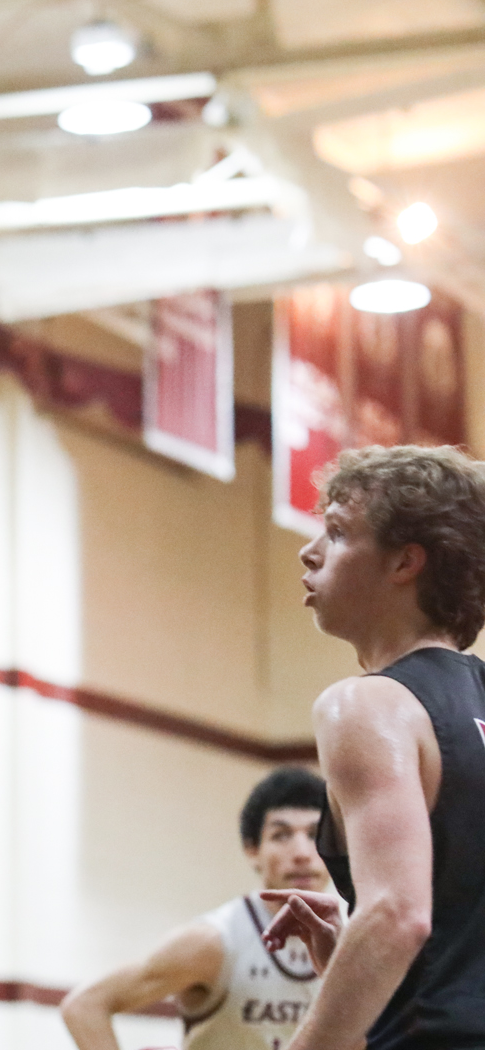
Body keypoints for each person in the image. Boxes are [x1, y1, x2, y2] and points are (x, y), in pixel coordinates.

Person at [257, 445, 485, 1050]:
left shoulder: (367, 705)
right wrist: (354, 966)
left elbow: (396, 916)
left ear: (405, 562)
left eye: (336, 532)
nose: (308, 552)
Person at [60, 767, 329, 1050]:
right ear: (253, 850)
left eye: (315, 835)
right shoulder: (214, 942)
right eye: (282, 835)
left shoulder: (351, 939)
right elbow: (85, 1006)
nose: (302, 853)